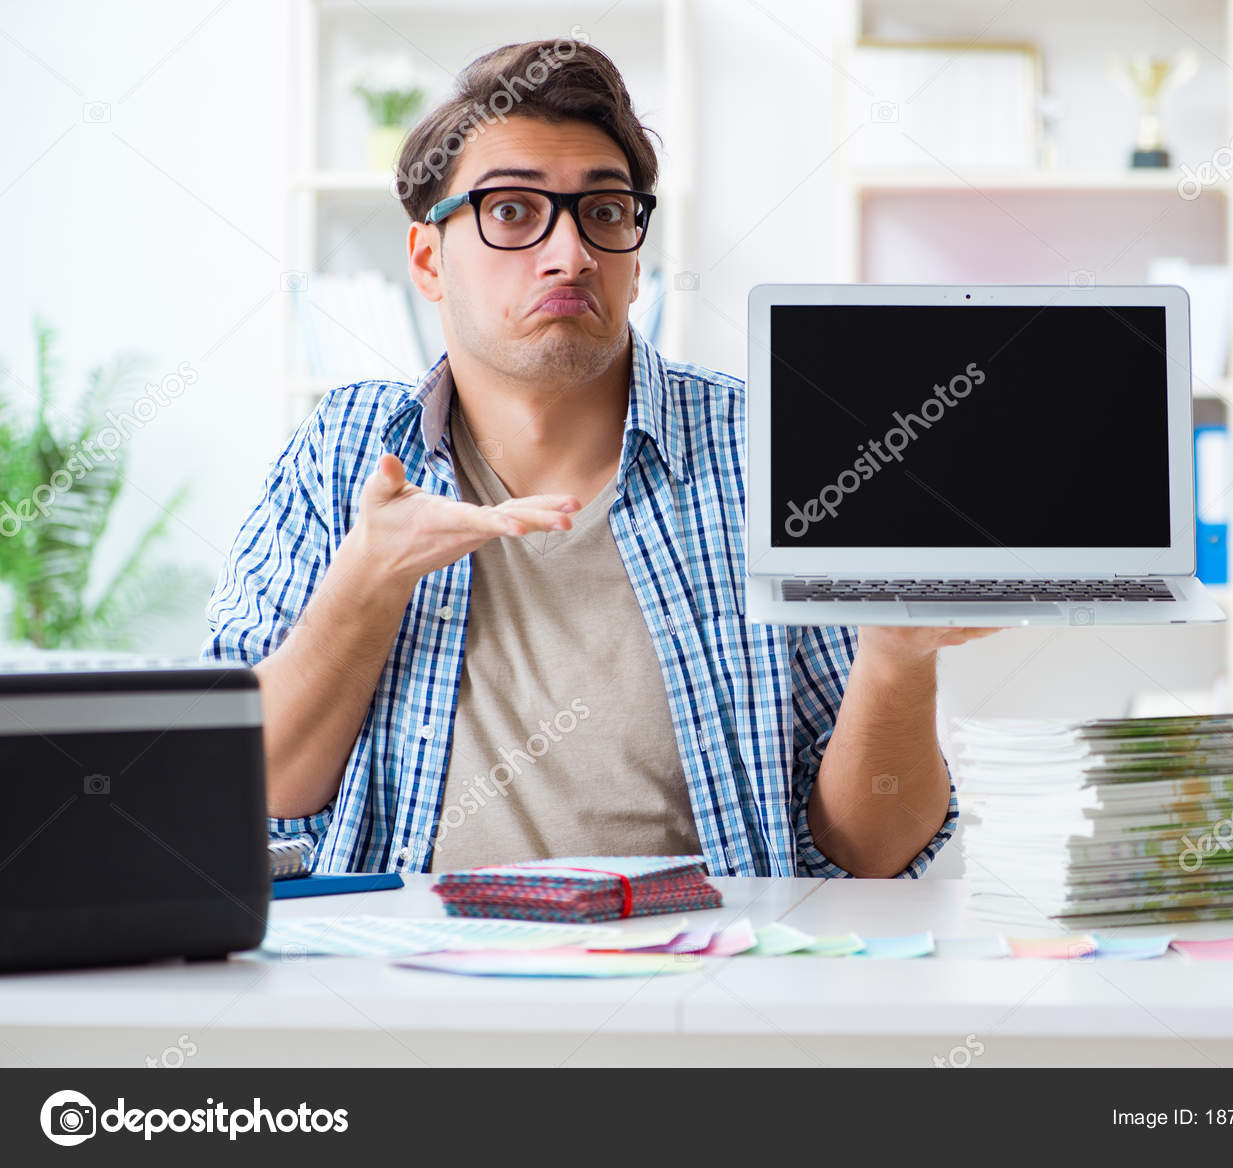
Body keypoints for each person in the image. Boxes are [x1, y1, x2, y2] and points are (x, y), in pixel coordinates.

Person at [206, 39, 995, 878]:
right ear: (428, 260)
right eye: (512, 211)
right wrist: (370, 577)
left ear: (635, 253)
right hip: (405, 986)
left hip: (706, 983)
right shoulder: (346, 448)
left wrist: (897, 658)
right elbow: (261, 788)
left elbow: (871, 856)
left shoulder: (772, 450)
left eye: (606, 212)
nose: (571, 254)